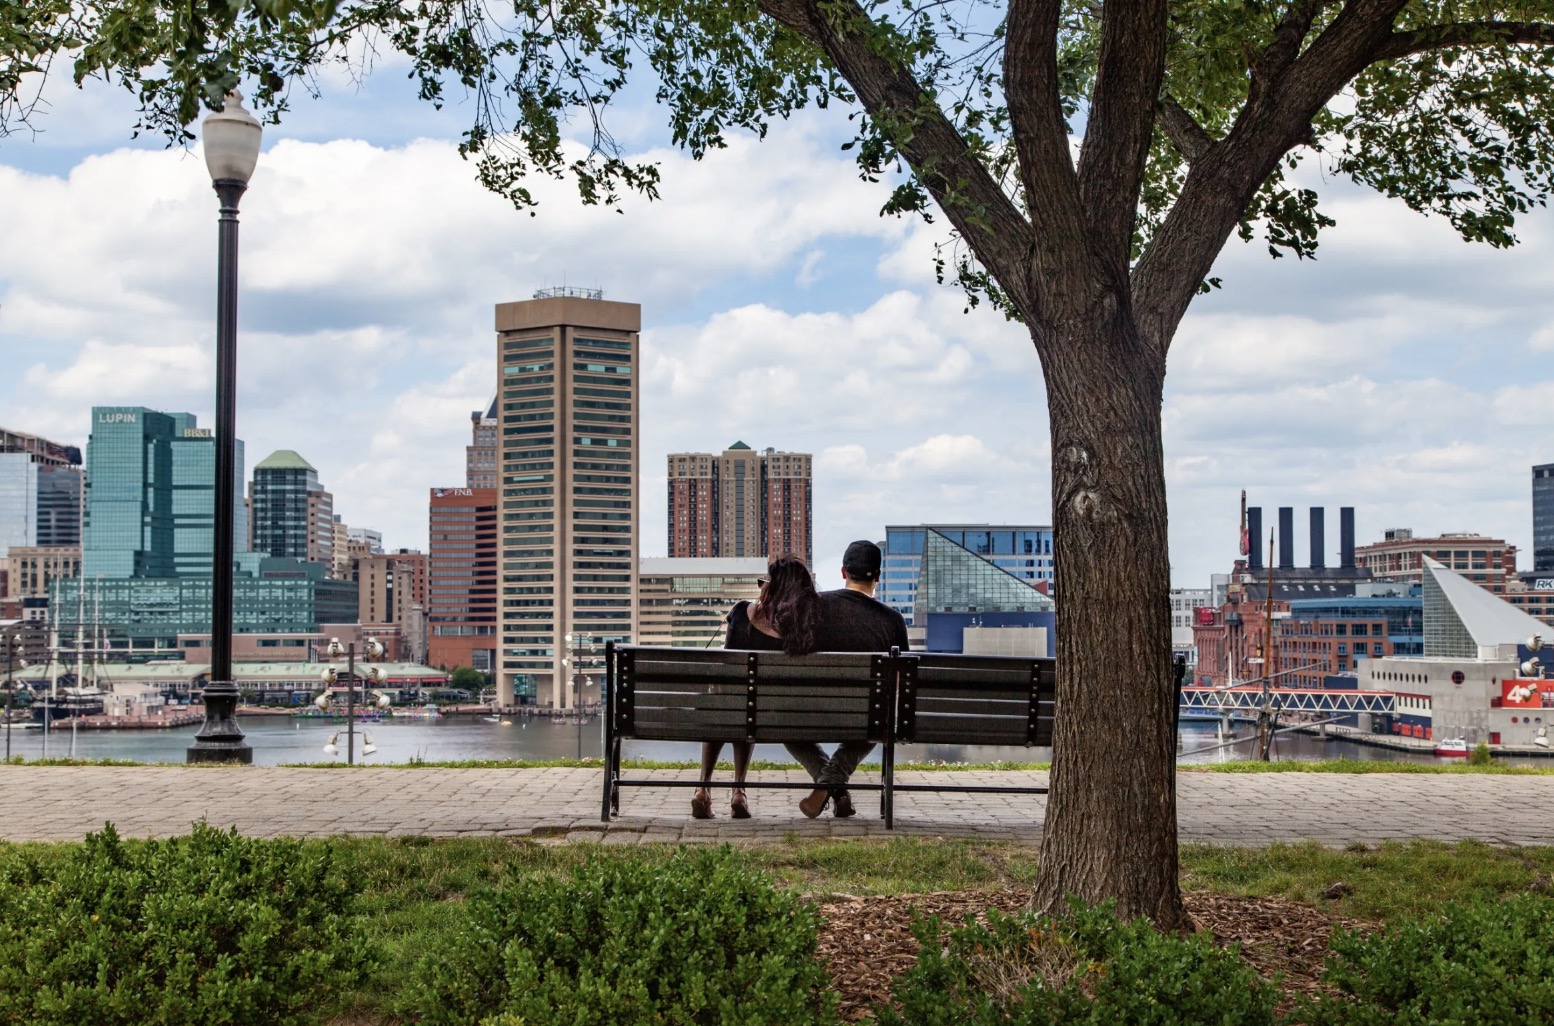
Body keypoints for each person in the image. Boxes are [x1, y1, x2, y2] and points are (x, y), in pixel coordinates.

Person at [786, 539, 910, 818]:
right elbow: (901, 680)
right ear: (878, 576)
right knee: (879, 717)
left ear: (843, 572)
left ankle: (831, 786)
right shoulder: (893, 620)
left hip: (808, 714)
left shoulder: (812, 607)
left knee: (788, 731)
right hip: (864, 718)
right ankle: (834, 782)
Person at [692, 553, 821, 819]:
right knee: (748, 708)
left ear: (770, 585)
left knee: (727, 702)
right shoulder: (801, 627)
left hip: (731, 706)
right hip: (768, 713)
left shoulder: (741, 610)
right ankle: (739, 790)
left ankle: (703, 788)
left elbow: (728, 662)